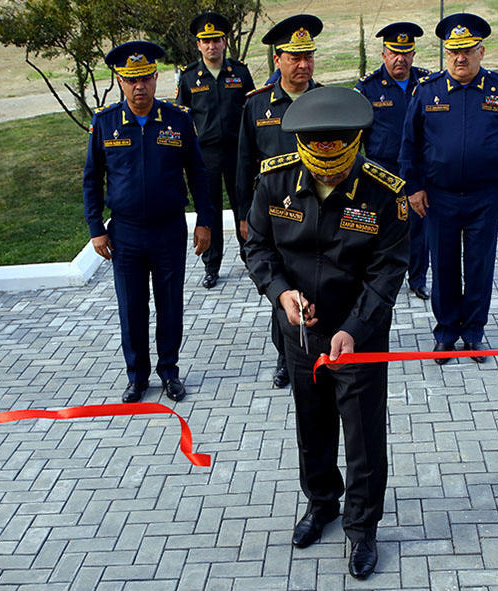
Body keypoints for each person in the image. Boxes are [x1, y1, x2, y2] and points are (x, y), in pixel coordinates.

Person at [244, 86, 409, 579]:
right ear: (303, 150)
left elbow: (387, 273)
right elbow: (258, 249)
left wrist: (355, 329)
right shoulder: (274, 182)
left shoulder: (385, 193)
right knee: (312, 426)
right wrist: (280, 294)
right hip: (299, 331)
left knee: (362, 434)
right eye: (320, 166)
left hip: (358, 336)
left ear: (355, 145)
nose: (330, 173)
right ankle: (321, 504)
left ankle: (362, 528)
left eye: (339, 166)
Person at [83, 41, 216, 403]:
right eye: (130, 80)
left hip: (168, 229)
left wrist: (205, 221)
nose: (139, 87)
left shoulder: (177, 119)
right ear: (120, 81)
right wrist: (96, 229)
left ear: (156, 79)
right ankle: (137, 376)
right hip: (125, 233)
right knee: (132, 306)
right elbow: (92, 179)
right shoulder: (105, 122)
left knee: (169, 304)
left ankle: (170, 372)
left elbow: (198, 174)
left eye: (145, 79)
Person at [399, 13, 498, 364]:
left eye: (468, 51)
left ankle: (473, 333)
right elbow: (409, 144)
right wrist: (413, 188)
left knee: (478, 266)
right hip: (439, 197)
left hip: (485, 197)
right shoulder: (427, 91)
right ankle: (445, 333)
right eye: (454, 51)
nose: (460, 58)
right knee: (442, 266)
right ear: (446, 54)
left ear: (481, 53)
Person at [237, 14, 323, 389]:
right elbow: (243, 165)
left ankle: (320, 347)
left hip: (320, 210)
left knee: (318, 280)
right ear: (278, 60)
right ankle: (286, 356)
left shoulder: (326, 101)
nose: (302, 65)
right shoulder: (257, 106)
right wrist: (243, 216)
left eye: (308, 57)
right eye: (294, 57)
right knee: (280, 283)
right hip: (274, 213)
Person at [176, 12, 255, 290]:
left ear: (225, 42)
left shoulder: (241, 73)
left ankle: (253, 259)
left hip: (237, 151)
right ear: (199, 45)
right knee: (208, 209)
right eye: (206, 41)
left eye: (216, 40)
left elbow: (252, 112)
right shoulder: (189, 78)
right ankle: (212, 265)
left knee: (244, 204)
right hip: (205, 154)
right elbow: (182, 117)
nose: (212, 46)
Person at [355, 22, 431, 301]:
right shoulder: (368, 87)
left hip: (416, 171)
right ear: (384, 54)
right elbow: (358, 136)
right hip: (381, 170)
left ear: (413, 54)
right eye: (394, 52)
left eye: (406, 52)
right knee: (380, 228)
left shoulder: (426, 84)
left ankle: (418, 278)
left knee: (419, 227)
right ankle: (380, 279)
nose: (401, 59)